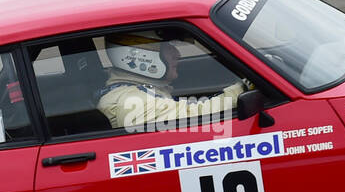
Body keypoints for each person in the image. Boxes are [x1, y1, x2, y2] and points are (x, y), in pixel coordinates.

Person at [96, 34, 248, 132]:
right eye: (167, 48)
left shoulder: (140, 89)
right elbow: (194, 115)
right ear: (143, 57)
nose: (178, 54)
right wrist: (242, 89)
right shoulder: (132, 103)